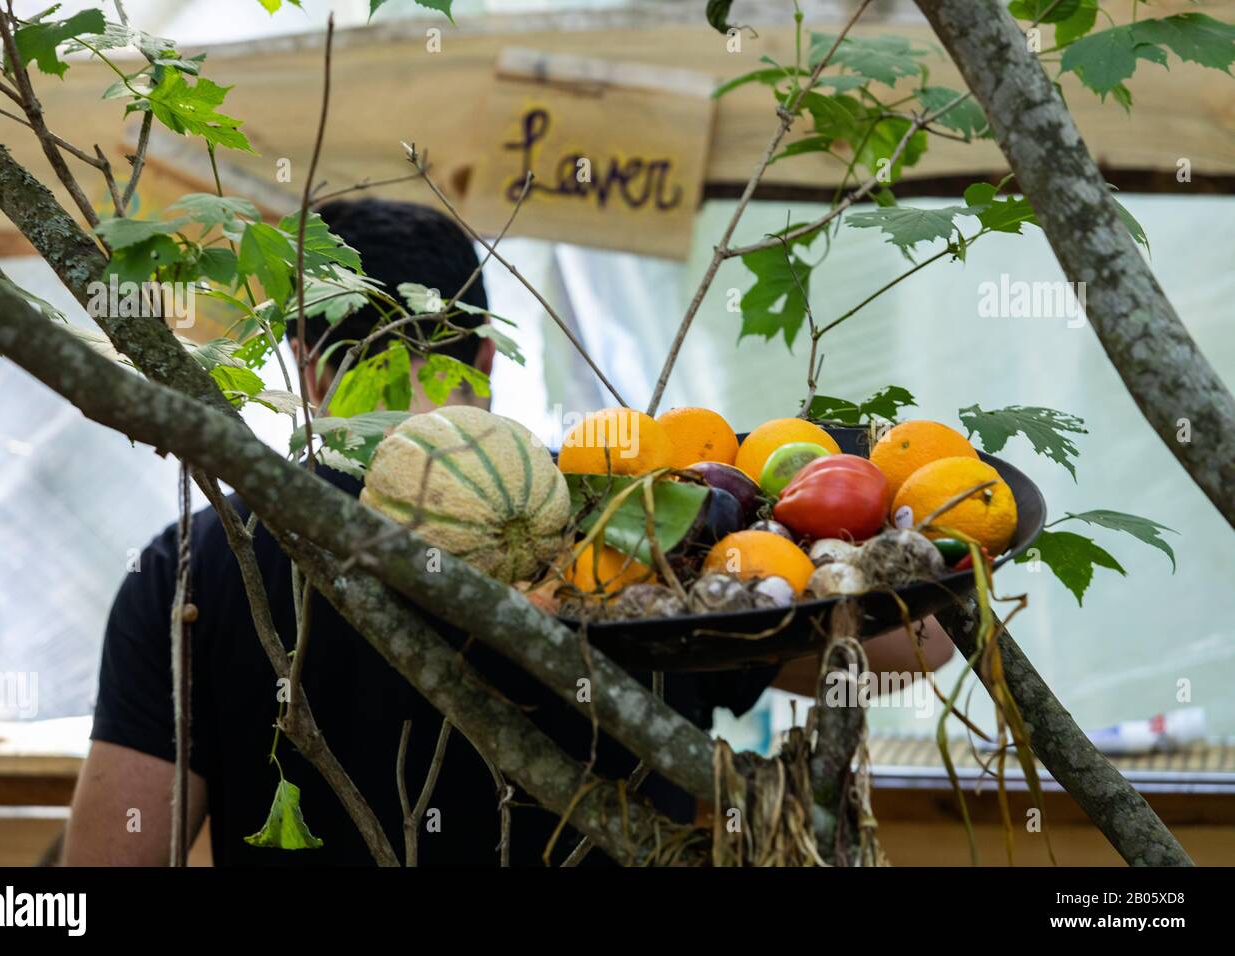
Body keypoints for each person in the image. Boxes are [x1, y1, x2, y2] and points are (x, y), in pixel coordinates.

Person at [63, 198, 954, 866]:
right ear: (486, 353)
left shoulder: (193, 564)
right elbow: (919, 643)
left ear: (302, 361)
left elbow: (114, 860)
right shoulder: (630, 520)